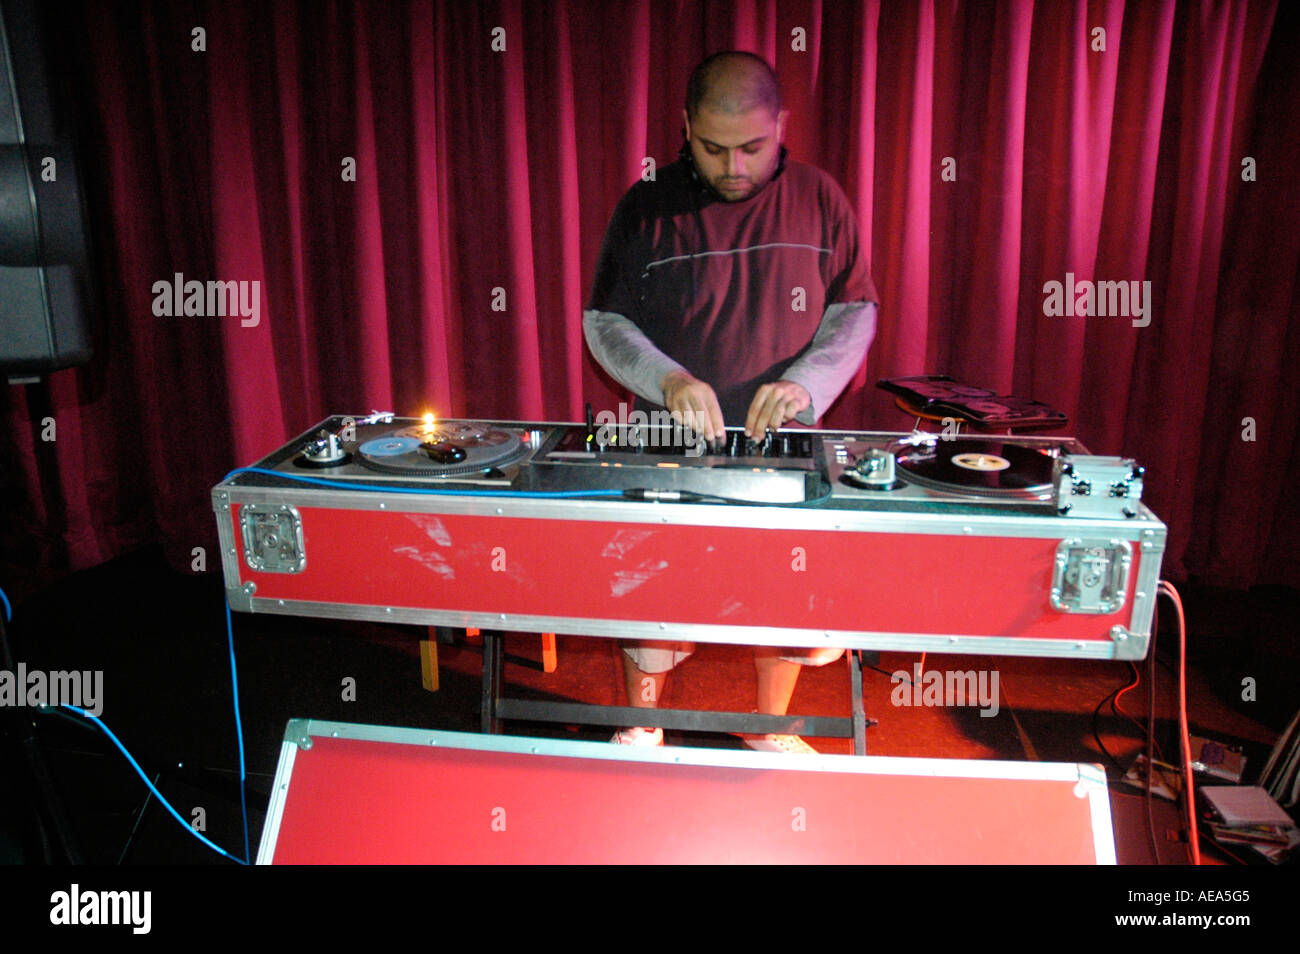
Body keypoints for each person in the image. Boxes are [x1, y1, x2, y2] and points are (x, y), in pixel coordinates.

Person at [582, 51, 879, 753]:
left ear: (781, 125)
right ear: (684, 127)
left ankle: (769, 730)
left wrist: (808, 381)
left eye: (753, 146)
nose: (734, 167)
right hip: (665, 438)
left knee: (784, 584)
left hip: (783, 439)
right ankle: (642, 723)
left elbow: (855, 309)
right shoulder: (647, 203)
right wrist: (670, 381)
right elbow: (604, 320)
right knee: (650, 585)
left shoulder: (820, 197)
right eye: (712, 149)